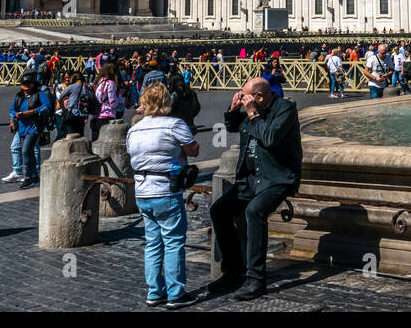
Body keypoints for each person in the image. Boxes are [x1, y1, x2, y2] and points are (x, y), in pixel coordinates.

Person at [208, 78, 302, 300]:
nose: (245, 100)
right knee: (219, 211)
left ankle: (256, 279)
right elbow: (233, 126)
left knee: (254, 211)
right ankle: (233, 272)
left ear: (259, 97)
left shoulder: (285, 109)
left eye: (247, 96)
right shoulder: (253, 109)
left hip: (277, 177)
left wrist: (252, 114)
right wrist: (233, 109)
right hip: (250, 178)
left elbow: (270, 138)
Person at [127, 82, 199, 309]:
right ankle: (176, 293)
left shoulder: (134, 129)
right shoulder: (174, 124)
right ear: (168, 101)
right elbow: (193, 150)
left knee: (152, 243)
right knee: (173, 242)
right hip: (166, 189)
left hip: (142, 190)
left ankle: (154, 291)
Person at [7, 70, 53, 188]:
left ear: (33, 84)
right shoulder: (19, 96)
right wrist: (15, 116)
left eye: (28, 85)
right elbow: (12, 109)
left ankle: (28, 177)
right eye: (24, 86)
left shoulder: (40, 94)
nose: (26, 88)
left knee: (26, 151)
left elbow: (47, 106)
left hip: (34, 126)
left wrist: (33, 111)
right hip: (22, 126)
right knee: (30, 152)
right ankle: (34, 177)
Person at [58, 71, 91, 138]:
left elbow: (60, 97)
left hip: (72, 114)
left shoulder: (72, 87)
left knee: (71, 135)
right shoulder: (87, 86)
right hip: (83, 114)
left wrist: (63, 108)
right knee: (80, 134)